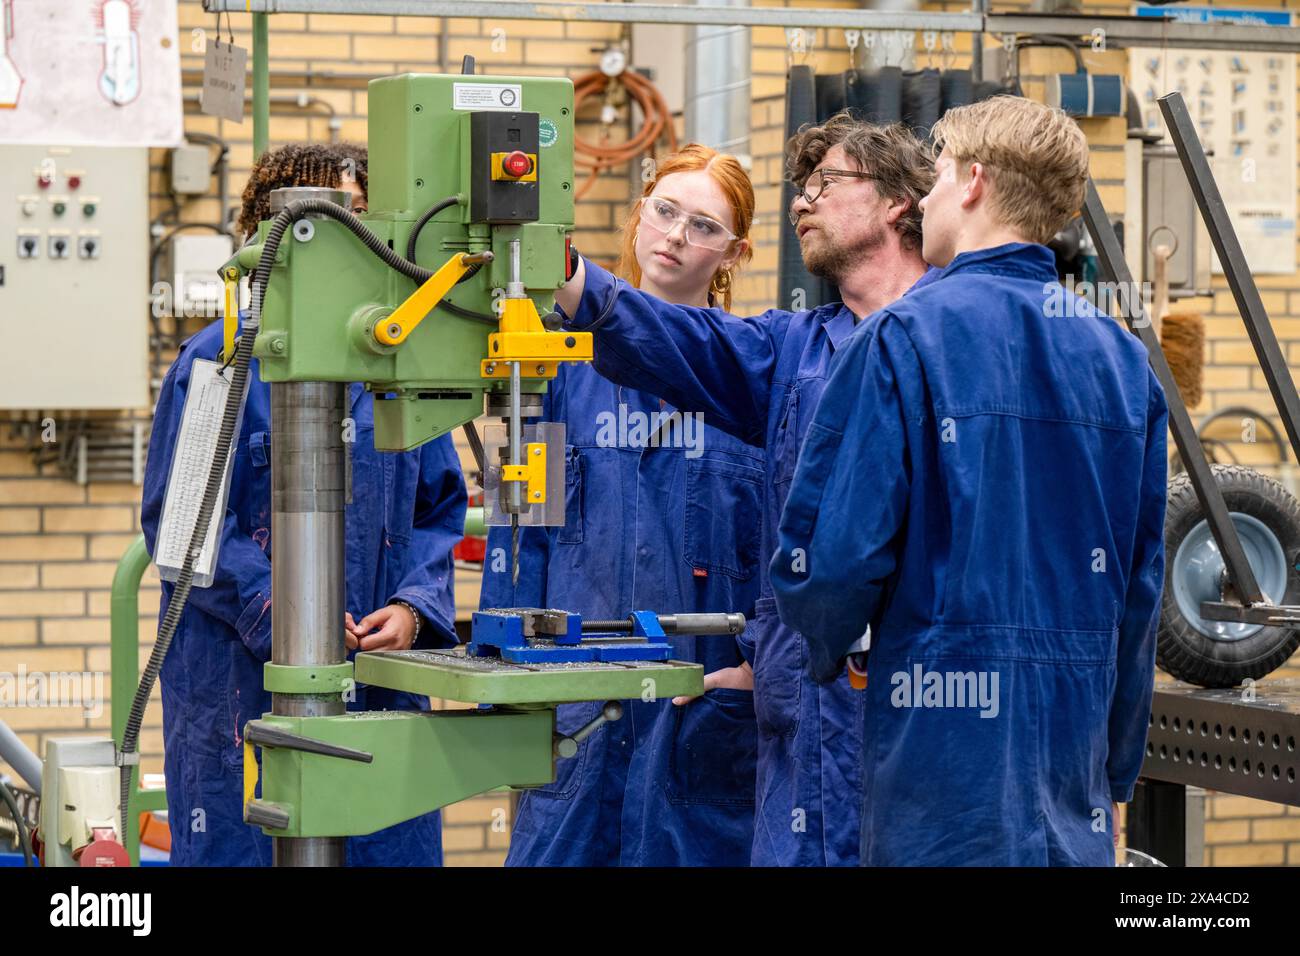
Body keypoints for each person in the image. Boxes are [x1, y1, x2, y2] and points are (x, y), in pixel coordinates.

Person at [770, 95, 1167, 865]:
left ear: (976, 181)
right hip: (1067, 774)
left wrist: (830, 645)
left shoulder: (900, 338)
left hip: (939, 778)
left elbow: (831, 562)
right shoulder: (1123, 362)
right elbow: (1140, 590)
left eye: (941, 172)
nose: (925, 197)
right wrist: (1114, 764)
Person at [552, 117, 936, 866]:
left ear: (896, 203)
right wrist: (560, 268)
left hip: (922, 723)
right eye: (800, 190)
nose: (803, 203)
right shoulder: (793, 348)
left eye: (824, 184)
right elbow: (680, 341)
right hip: (802, 732)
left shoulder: (957, 340)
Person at [142, 142, 468, 866]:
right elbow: (185, 530)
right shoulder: (216, 362)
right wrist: (286, 616)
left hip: (377, 689)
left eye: (360, 216)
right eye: (324, 222)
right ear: (266, 236)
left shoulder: (399, 366)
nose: (349, 241)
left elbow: (439, 508)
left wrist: (415, 606)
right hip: (240, 692)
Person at [481, 144, 761, 866]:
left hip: (702, 716)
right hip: (578, 716)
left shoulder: (757, 384)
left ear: (733, 254)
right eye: (665, 212)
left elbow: (794, 550)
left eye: (703, 226)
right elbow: (524, 535)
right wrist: (499, 691)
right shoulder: (560, 372)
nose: (674, 236)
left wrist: (765, 668)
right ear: (638, 217)